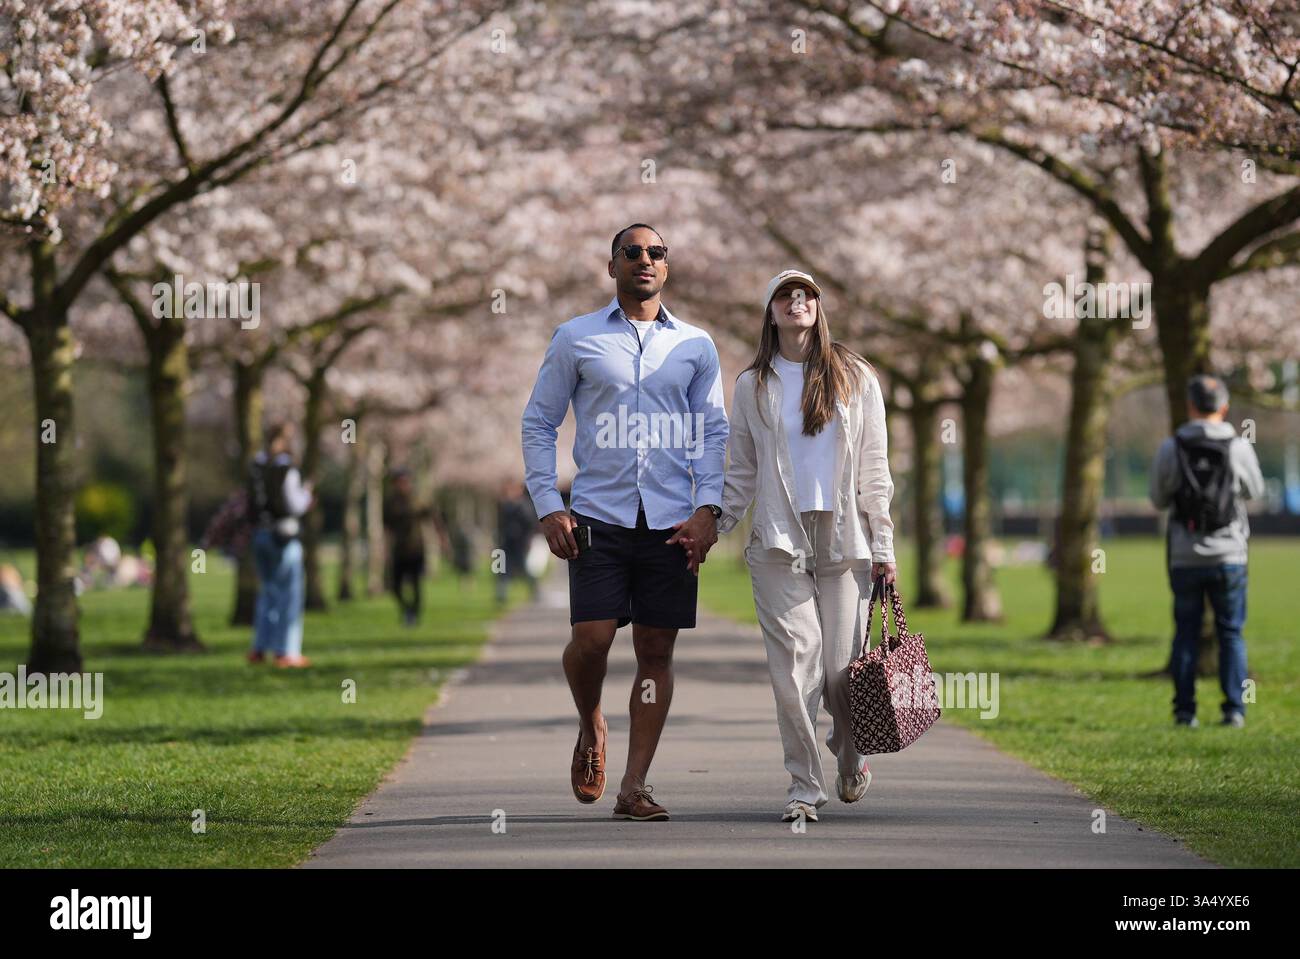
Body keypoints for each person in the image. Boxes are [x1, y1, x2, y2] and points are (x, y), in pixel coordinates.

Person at [521, 223, 728, 821]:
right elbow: (540, 422)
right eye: (632, 252)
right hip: (597, 516)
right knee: (592, 641)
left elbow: (711, 430)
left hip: (671, 521)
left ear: (667, 268)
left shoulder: (696, 346)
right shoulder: (577, 338)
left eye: (656, 253)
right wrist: (547, 505)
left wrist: (708, 507)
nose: (645, 260)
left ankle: (634, 785)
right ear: (611, 266)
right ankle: (591, 725)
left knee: (655, 650)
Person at [713, 270, 897, 823]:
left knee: (841, 673)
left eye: (807, 295)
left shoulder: (856, 377)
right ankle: (802, 785)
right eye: (785, 296)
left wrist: (884, 544)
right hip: (776, 538)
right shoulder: (753, 386)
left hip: (845, 536)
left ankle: (850, 758)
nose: (797, 303)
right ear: (770, 312)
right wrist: (714, 527)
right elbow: (741, 470)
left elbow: (875, 468)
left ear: (818, 309)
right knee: (795, 667)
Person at [1149, 374, 1265, 728]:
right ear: (1224, 407)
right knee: (1231, 632)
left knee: (1185, 632)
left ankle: (1185, 712)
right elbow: (1255, 490)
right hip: (1229, 554)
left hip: (1184, 554)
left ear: (1190, 406)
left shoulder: (1172, 447)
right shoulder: (1239, 446)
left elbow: (1157, 497)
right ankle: (1234, 709)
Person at [247, 421, 313, 668]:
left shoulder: (256, 466)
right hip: (283, 536)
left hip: (260, 534)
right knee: (289, 594)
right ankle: (287, 651)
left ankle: (260, 647)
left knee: (267, 592)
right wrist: (306, 496)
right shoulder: (286, 469)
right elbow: (294, 504)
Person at [384, 469, 429, 626]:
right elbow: (386, 526)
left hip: (417, 548)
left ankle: (414, 615)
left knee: (416, 584)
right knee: (395, 586)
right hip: (399, 549)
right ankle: (406, 609)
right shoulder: (390, 502)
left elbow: (429, 515)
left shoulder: (416, 499)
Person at [495, 479, 540, 605]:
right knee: (501, 568)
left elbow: (530, 525)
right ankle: (501, 594)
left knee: (524, 569)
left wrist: (527, 540)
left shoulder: (524, 506)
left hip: (520, 543)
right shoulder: (504, 505)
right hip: (506, 542)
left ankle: (536, 589)